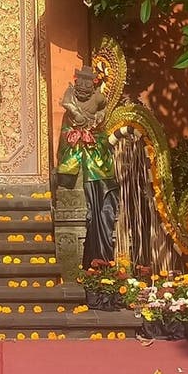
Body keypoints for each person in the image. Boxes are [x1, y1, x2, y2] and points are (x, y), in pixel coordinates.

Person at [56, 65, 119, 265]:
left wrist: (97, 119)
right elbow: (66, 102)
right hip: (74, 134)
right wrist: (76, 113)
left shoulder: (98, 97)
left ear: (92, 83)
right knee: (71, 153)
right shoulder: (70, 92)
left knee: (96, 156)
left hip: (91, 135)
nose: (82, 86)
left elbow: (104, 107)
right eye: (80, 81)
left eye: (87, 81)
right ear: (76, 81)